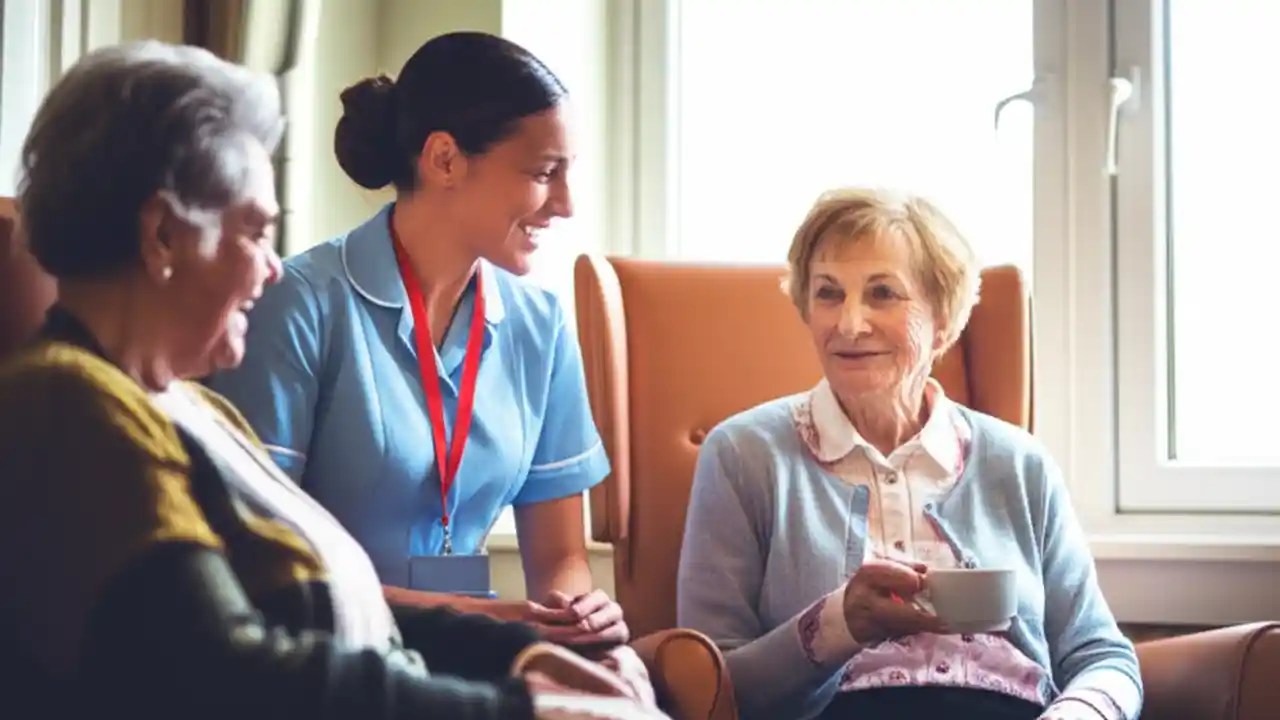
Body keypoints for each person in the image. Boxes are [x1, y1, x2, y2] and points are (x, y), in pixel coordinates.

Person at [0, 40, 662, 720]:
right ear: (163, 237)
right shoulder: (69, 405)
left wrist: (516, 653)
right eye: (255, 232)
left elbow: (304, 599)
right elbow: (226, 662)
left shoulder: (191, 409)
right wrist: (519, 709)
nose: (273, 267)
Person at [205, 30, 626, 651]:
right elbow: (266, 568)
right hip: (328, 652)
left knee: (626, 680)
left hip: (476, 648)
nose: (564, 204)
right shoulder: (298, 304)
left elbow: (561, 556)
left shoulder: (543, 325)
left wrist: (578, 613)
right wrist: (479, 619)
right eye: (544, 173)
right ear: (445, 159)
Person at [676, 188, 1143, 720]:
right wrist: (840, 623)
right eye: (828, 294)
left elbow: (1101, 655)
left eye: (882, 293)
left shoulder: (1019, 463)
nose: (849, 324)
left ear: (943, 319)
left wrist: (1078, 713)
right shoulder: (744, 455)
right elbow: (708, 684)